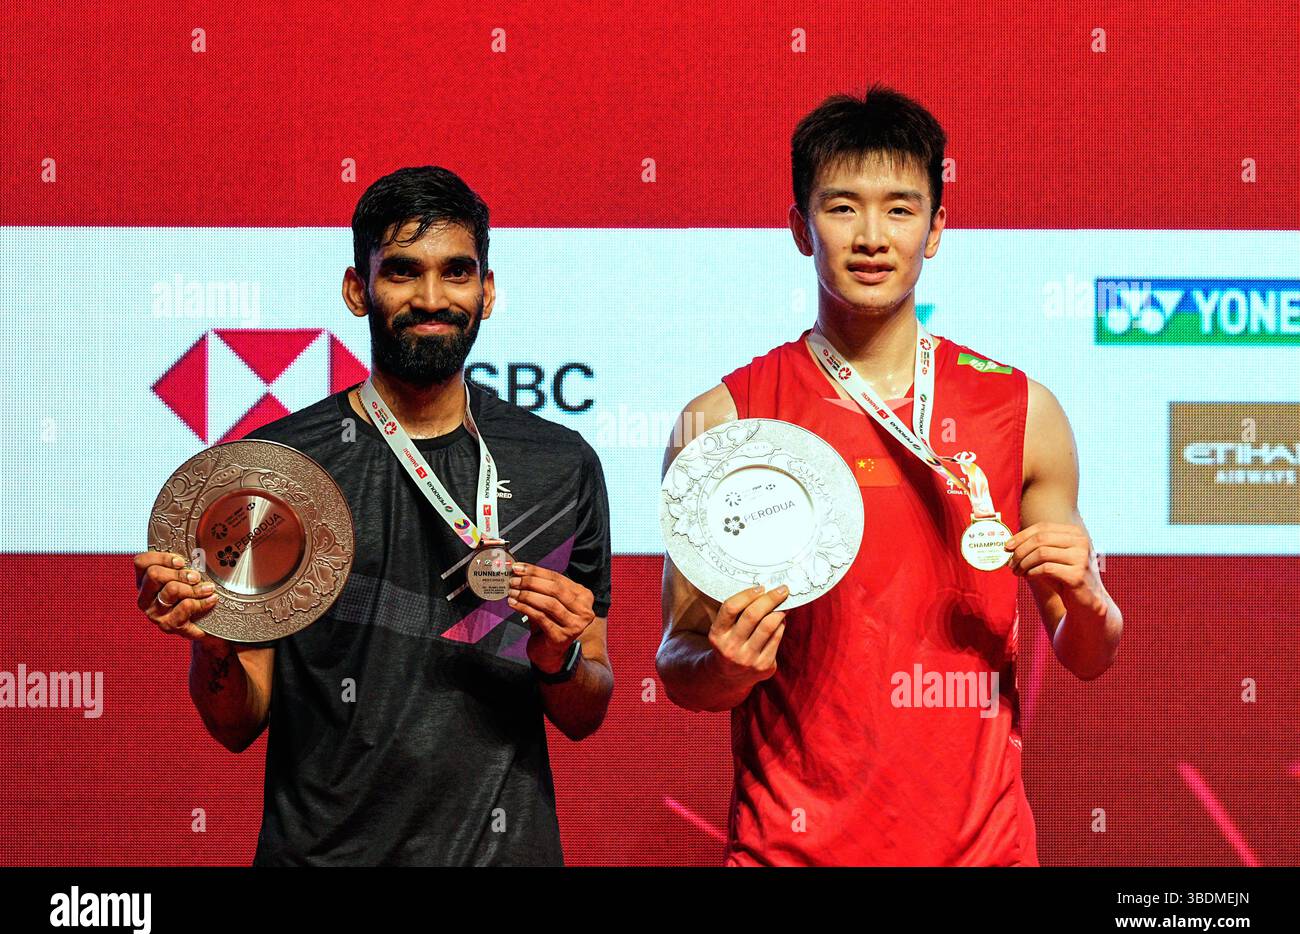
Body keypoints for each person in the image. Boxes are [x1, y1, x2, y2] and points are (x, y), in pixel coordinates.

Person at [657, 86, 1123, 866]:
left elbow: (1087, 652)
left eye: (901, 209)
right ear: (799, 228)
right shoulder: (725, 421)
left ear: (937, 228)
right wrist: (727, 670)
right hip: (790, 852)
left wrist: (1089, 597)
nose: (872, 236)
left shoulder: (1022, 410)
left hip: (983, 854)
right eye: (841, 208)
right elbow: (680, 663)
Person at [134, 166, 614, 865]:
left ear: (486, 289)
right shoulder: (273, 472)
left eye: (456, 272)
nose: (431, 297)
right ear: (357, 290)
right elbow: (237, 723)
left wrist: (558, 657)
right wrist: (214, 644)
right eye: (401, 272)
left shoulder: (558, 462)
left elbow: (586, 708)